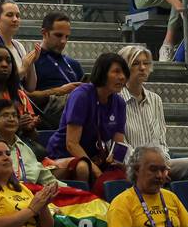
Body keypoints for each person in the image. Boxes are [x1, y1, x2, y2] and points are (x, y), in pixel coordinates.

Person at [119, 45, 188, 182]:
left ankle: (178, 203)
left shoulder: (155, 100)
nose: (142, 68)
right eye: (136, 63)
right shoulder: (116, 100)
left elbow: (161, 141)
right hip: (131, 166)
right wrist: (144, 166)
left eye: (146, 63)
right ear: (124, 68)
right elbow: (120, 145)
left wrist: (162, 165)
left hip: (157, 163)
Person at [45, 52, 129, 195]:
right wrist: (96, 170)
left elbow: (119, 143)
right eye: (116, 72)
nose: (122, 77)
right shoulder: (81, 95)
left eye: (124, 73)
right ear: (102, 73)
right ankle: (84, 203)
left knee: (128, 171)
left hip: (96, 157)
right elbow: (72, 144)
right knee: (83, 167)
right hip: (63, 155)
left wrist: (118, 163)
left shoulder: (119, 102)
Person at [0, 96, 85, 185]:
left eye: (14, 115)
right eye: (5, 115)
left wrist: (70, 191)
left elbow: (45, 178)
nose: (11, 119)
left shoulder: (25, 149)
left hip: (32, 196)